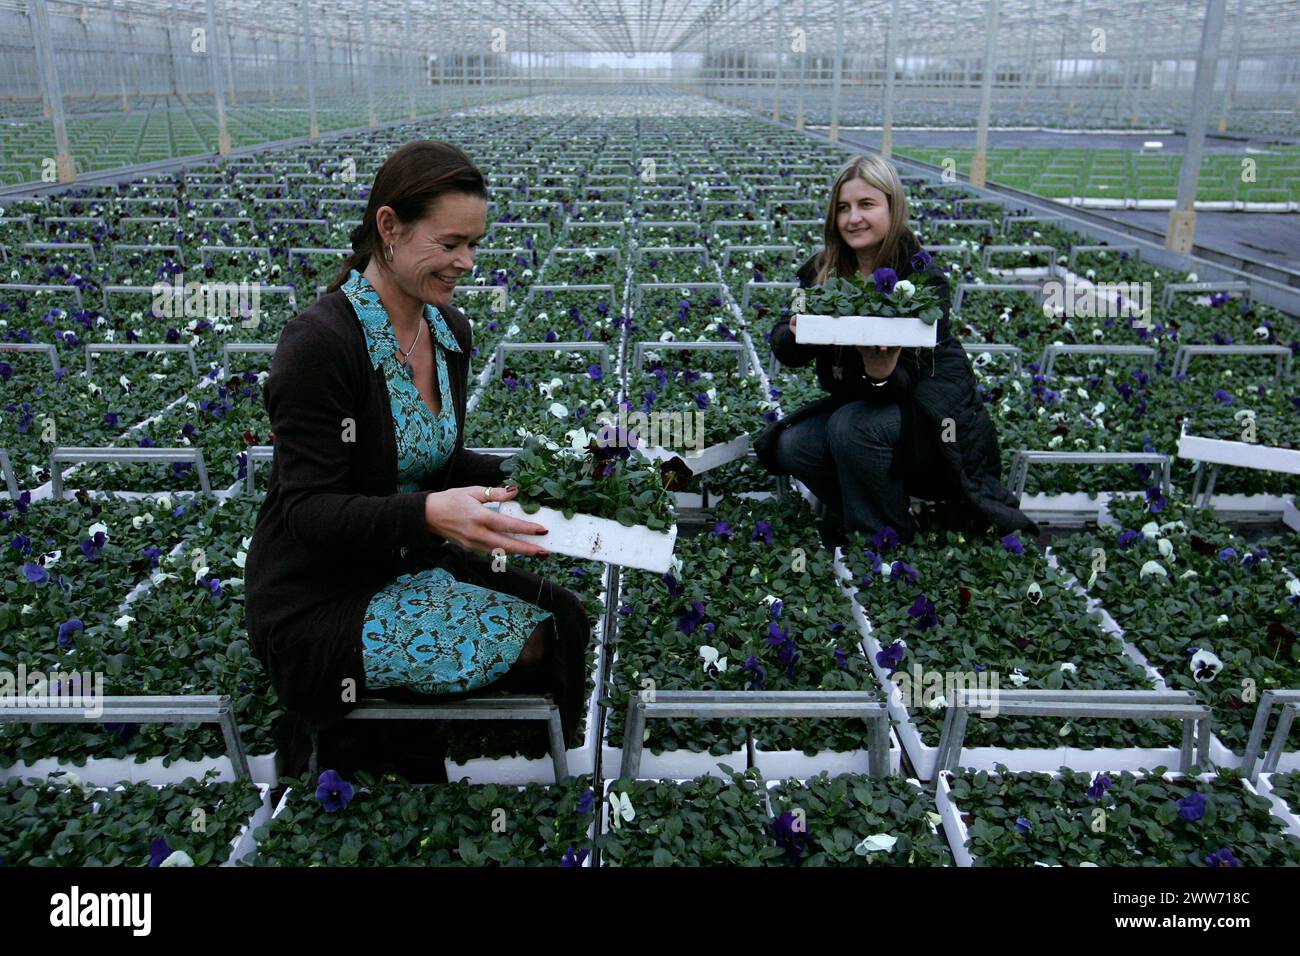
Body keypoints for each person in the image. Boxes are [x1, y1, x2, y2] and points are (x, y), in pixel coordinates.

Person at [244, 140, 590, 781]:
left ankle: (408, 728)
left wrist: (547, 483)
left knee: (562, 619)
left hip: (404, 558)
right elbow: (305, 512)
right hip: (320, 594)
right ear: (389, 228)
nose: (467, 262)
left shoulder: (448, 331)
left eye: (475, 245)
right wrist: (430, 515)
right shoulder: (321, 344)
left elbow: (440, 461)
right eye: (450, 243)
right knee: (532, 641)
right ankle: (341, 733)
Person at [752, 154, 1038, 547]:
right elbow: (785, 341)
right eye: (843, 208)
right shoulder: (824, 270)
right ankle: (866, 510)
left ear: (893, 206)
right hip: (866, 409)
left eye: (867, 205)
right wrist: (798, 330)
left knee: (853, 427)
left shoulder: (921, 275)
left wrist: (879, 370)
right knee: (794, 444)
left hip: (931, 423)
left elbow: (906, 383)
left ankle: (881, 542)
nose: (853, 218)